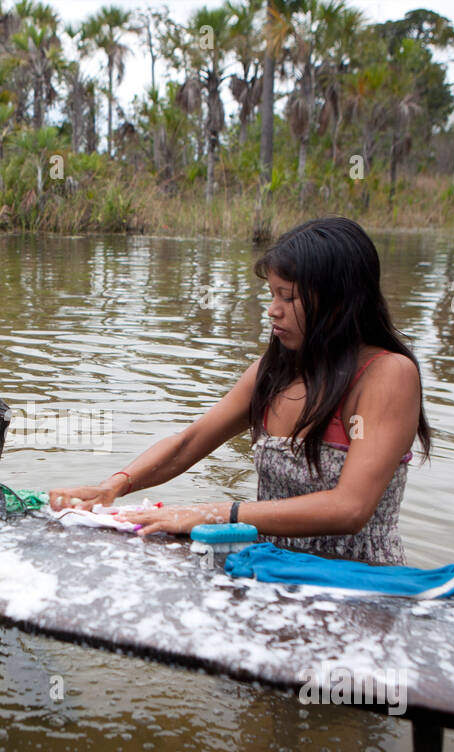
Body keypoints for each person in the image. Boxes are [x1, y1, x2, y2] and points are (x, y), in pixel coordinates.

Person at [47, 216, 433, 566]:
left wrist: (213, 513)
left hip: (360, 583)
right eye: (272, 295)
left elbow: (350, 508)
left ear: (338, 301)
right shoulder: (272, 372)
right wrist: (114, 485)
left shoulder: (387, 376)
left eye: (289, 297)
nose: (272, 311)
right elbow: (188, 442)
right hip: (267, 567)